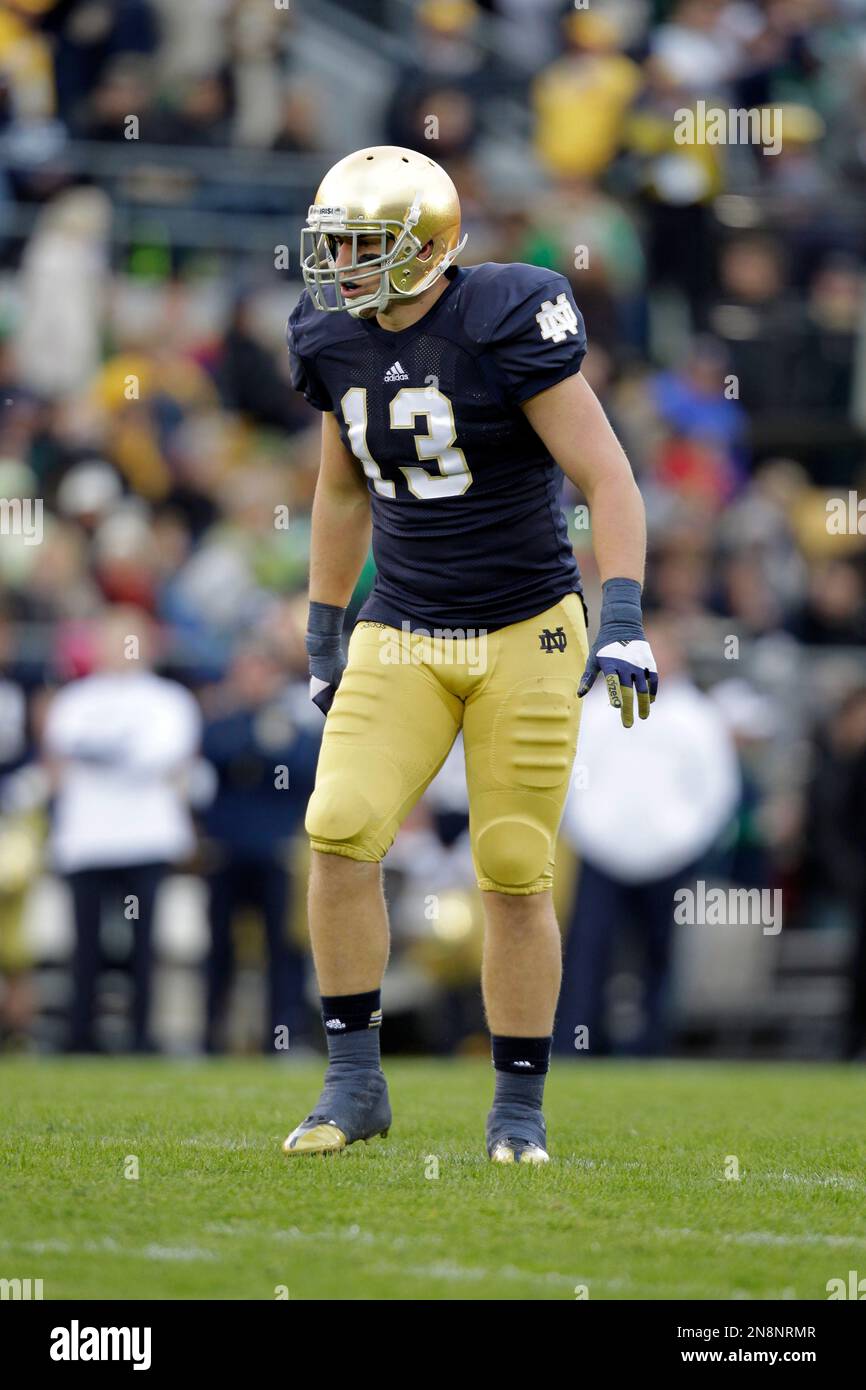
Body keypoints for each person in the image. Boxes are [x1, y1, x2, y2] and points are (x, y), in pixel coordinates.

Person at [285, 145, 658, 1164]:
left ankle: (517, 1111)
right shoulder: (330, 333)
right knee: (339, 823)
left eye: (365, 246)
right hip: (400, 623)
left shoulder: (503, 315)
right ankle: (353, 1081)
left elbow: (608, 479)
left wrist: (619, 610)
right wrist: (323, 625)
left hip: (523, 626)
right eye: (336, 246)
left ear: (427, 246)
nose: (343, 267)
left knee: (509, 866)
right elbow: (341, 489)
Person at [554, 618, 741, 1057]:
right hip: (600, 852)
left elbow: (717, 789)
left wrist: (685, 840)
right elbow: (568, 775)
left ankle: (651, 1046)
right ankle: (579, 1044)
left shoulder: (697, 715)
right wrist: (587, 831)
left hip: (672, 857)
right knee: (588, 955)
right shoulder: (597, 707)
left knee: (661, 956)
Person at [43, 606, 200, 1053]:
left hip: (146, 839)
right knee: (85, 946)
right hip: (87, 841)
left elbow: (161, 755)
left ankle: (140, 1036)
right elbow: (63, 747)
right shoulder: (75, 700)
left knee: (143, 946)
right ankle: (79, 1037)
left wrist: (102, 753)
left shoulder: (168, 699)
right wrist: (118, 753)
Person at [200, 638, 320, 1054]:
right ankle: (211, 1037)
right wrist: (262, 745)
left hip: (276, 852)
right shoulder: (223, 720)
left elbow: (306, 768)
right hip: (227, 851)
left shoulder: (293, 722)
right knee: (220, 948)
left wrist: (258, 757)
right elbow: (217, 752)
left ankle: (283, 1037)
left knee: (283, 949)